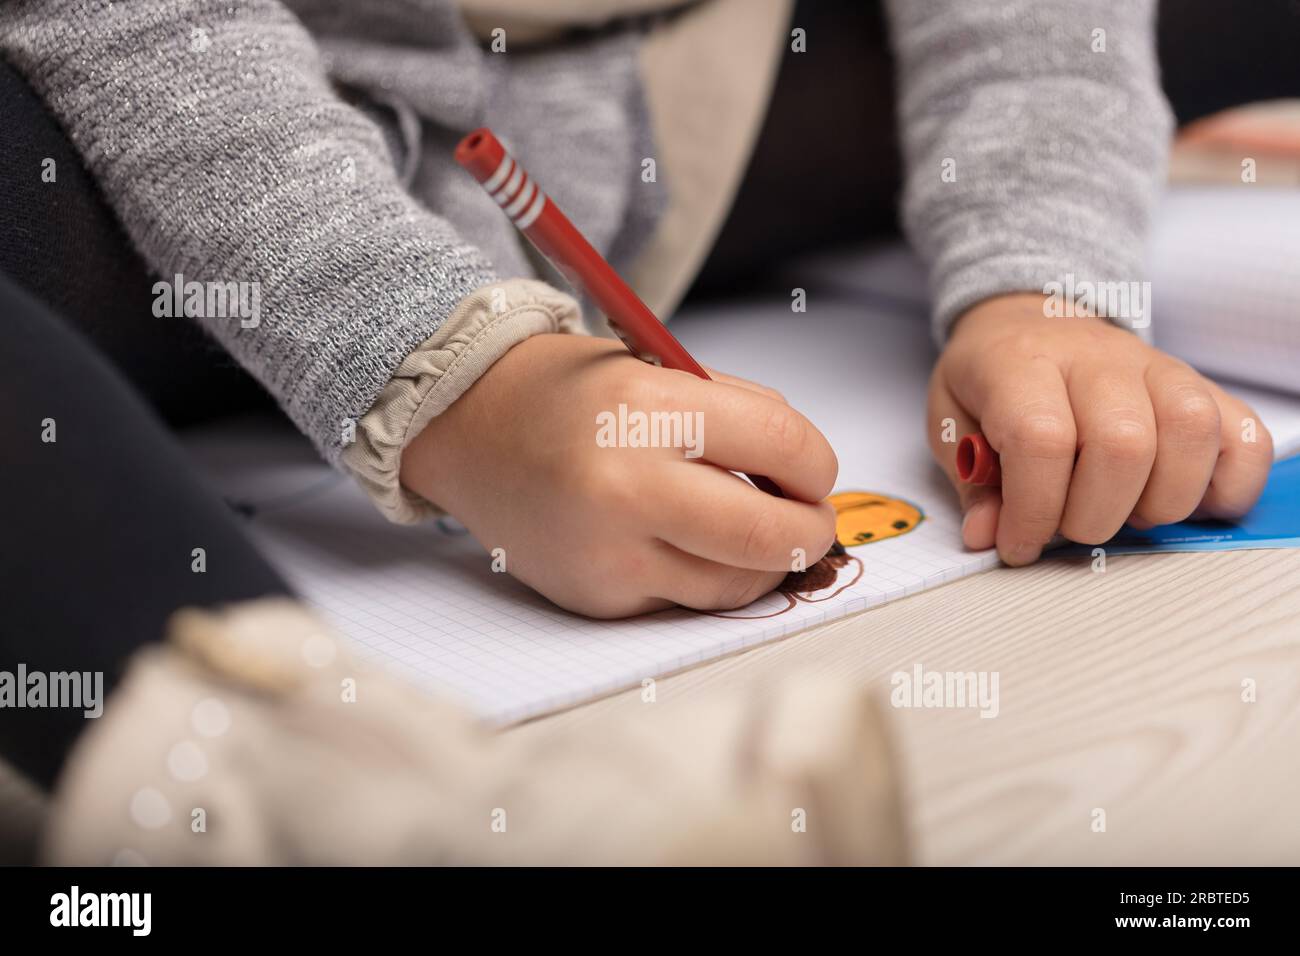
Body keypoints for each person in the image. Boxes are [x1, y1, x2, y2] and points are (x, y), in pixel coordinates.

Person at [0, 0, 1290, 855]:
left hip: (715, 78)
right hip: (195, 107)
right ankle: (292, 789)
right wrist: (457, 381)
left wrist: (1044, 279)